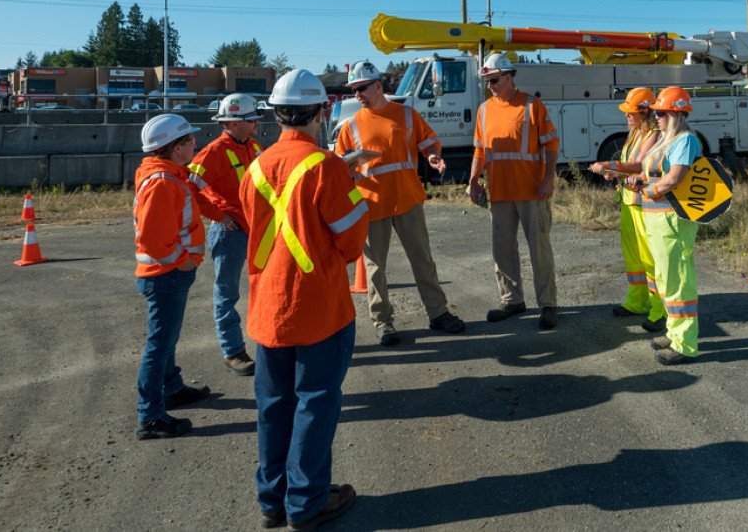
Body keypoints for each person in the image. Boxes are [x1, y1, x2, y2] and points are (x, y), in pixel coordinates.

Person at [238, 68, 369, 531]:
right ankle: (307, 503)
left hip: (268, 307)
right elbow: (352, 243)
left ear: (275, 115)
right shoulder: (326, 166)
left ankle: (272, 501)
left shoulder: (254, 167)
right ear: (322, 111)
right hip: (319, 309)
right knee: (315, 402)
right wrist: (347, 179)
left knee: (274, 406)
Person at [333, 60, 465, 346]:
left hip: (407, 200)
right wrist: (349, 169)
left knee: (422, 260)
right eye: (354, 90)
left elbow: (428, 141)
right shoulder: (350, 126)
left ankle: (438, 313)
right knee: (375, 268)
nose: (358, 95)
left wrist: (432, 156)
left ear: (378, 85)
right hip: (372, 204)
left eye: (362, 88)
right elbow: (340, 167)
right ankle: (383, 323)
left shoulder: (406, 115)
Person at [133, 113, 212, 440]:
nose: (195, 143)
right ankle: (150, 416)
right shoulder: (163, 182)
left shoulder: (169, 174)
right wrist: (181, 261)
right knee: (159, 344)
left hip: (167, 273)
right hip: (166, 274)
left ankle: (172, 388)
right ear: (174, 147)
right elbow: (152, 237)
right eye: (189, 140)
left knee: (166, 341)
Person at [467, 52, 560, 329]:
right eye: (487, 81)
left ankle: (548, 304)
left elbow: (551, 145)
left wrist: (548, 178)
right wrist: (473, 180)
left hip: (532, 191)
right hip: (500, 193)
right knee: (502, 251)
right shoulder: (485, 109)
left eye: (494, 80)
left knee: (539, 251)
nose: (490, 86)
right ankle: (512, 300)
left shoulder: (533, 106)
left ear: (508, 76)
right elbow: (480, 149)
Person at [187, 92, 264, 376]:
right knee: (227, 292)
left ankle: (270, 342)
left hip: (256, 227)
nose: (256, 122)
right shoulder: (213, 153)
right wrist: (218, 215)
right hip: (230, 232)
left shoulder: (254, 145)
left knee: (266, 285)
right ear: (232, 123)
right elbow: (189, 189)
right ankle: (233, 351)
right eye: (250, 118)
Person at [625, 86, 703, 365]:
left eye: (660, 112)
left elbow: (674, 179)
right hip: (656, 219)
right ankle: (673, 332)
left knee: (678, 282)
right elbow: (652, 173)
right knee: (665, 280)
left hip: (673, 220)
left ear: (675, 113)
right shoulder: (665, 140)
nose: (655, 116)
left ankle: (684, 344)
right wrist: (640, 181)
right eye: (656, 112)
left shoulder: (685, 140)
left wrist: (648, 190)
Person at [589, 87, 666, 331]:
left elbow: (638, 165)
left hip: (644, 204)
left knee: (650, 258)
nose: (626, 116)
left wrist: (609, 164)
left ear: (644, 112)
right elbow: (629, 169)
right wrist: (614, 174)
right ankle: (637, 302)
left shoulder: (653, 134)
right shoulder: (635, 133)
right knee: (634, 258)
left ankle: (659, 309)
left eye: (630, 112)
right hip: (629, 202)